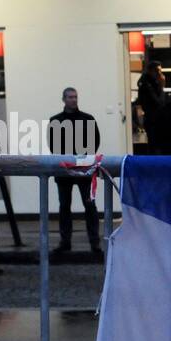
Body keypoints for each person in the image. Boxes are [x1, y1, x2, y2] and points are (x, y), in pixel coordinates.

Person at [47, 87, 102, 257]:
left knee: (89, 205)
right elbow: (52, 144)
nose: (73, 100)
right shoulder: (57, 120)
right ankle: (66, 242)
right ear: (63, 99)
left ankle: (93, 242)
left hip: (80, 167)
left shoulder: (86, 119)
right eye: (70, 97)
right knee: (65, 206)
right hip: (68, 167)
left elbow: (95, 141)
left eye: (75, 97)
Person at [136, 61, 166, 141]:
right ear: (152, 71)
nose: (160, 73)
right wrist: (162, 85)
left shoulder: (148, 81)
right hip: (152, 118)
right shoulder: (147, 84)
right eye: (158, 70)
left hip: (153, 117)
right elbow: (159, 102)